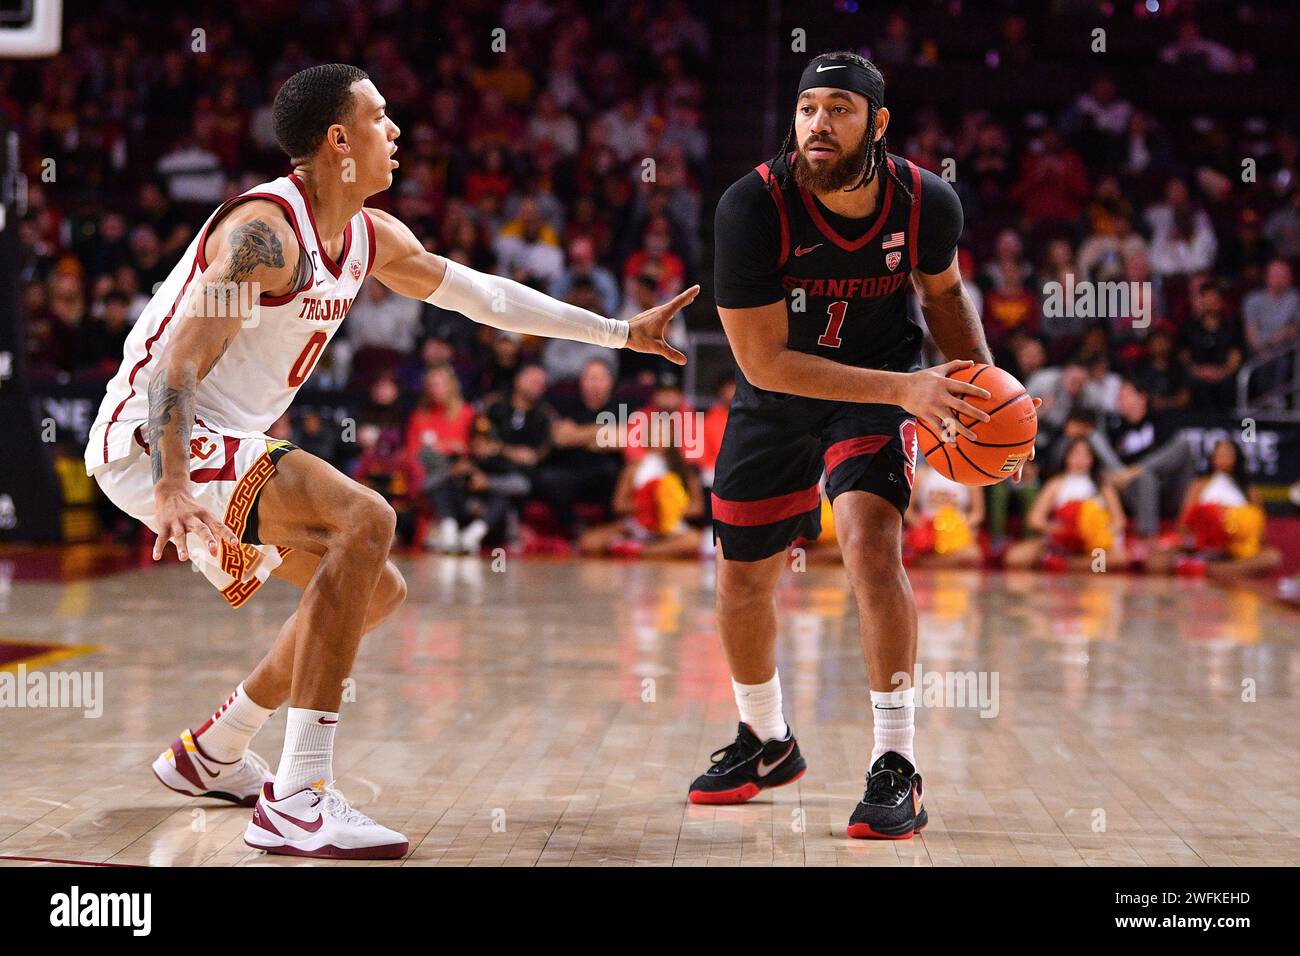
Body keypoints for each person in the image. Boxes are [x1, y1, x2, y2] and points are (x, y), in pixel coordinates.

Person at [83, 64, 696, 860]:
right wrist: (170, 485)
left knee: (375, 588)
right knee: (365, 516)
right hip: (154, 433)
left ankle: (215, 750)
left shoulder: (370, 237)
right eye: (381, 117)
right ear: (339, 140)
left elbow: (487, 297)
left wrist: (618, 333)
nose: (396, 131)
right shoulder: (264, 236)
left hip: (212, 439)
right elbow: (177, 370)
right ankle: (296, 799)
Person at [696, 51, 1036, 839]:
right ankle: (766, 740)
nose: (819, 122)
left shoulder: (926, 203)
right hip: (782, 393)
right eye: (809, 108)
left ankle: (896, 762)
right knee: (741, 580)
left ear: (877, 124)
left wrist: (984, 402)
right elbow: (762, 361)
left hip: (878, 389)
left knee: (872, 547)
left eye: (840, 108)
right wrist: (908, 390)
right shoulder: (752, 205)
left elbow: (945, 299)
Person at [1148, 438, 1281, 579]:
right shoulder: (1198, 485)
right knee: (1155, 562)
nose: (1222, 458)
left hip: (1234, 554)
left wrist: (1236, 529)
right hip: (1201, 549)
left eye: (1227, 454)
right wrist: (1207, 528)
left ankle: (1204, 570)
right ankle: (1218, 572)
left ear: (1237, 458)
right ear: (1212, 458)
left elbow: (1261, 536)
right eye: (1219, 454)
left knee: (1272, 557)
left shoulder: (1250, 491)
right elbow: (1182, 527)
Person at [1004, 438, 1127, 572]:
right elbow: (1035, 519)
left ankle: (1068, 564)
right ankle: (1075, 563)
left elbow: (1119, 521)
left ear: (1093, 459)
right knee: (1015, 558)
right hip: (1062, 541)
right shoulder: (1056, 483)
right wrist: (1056, 530)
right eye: (1076, 454)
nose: (1080, 459)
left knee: (1119, 559)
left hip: (1094, 544)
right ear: (1066, 456)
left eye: (1086, 455)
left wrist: (1095, 534)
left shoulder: (1102, 484)